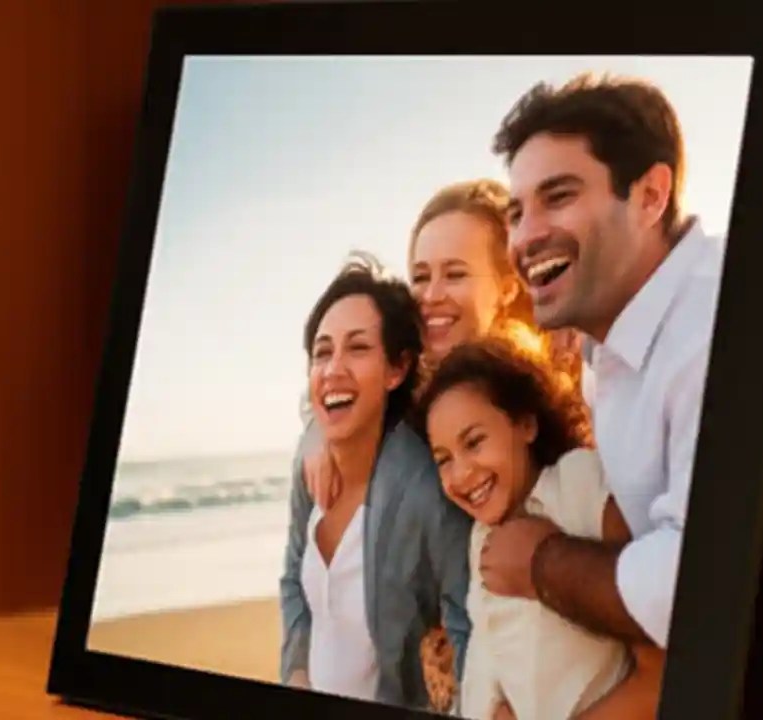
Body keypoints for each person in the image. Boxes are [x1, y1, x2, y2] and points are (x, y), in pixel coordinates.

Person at [477, 72, 725, 706]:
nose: (526, 237)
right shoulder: (604, 349)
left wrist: (540, 564)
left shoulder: (715, 324)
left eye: (558, 196)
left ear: (650, 195)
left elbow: (699, 590)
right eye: (516, 213)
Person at [300, 180, 585, 711]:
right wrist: (324, 436)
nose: (431, 295)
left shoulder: (545, 385)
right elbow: (343, 382)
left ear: (507, 286)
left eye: (454, 274)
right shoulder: (414, 388)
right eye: (420, 276)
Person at [422, 339, 661, 720]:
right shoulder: (480, 536)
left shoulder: (578, 484)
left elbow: (659, 673)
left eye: (475, 442)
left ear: (526, 425)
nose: (461, 474)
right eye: (443, 460)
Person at [279, 255, 473, 711]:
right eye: (322, 352)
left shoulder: (427, 490)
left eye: (358, 348)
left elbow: (470, 630)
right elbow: (292, 582)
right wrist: (296, 674)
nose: (333, 369)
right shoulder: (309, 464)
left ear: (397, 369)